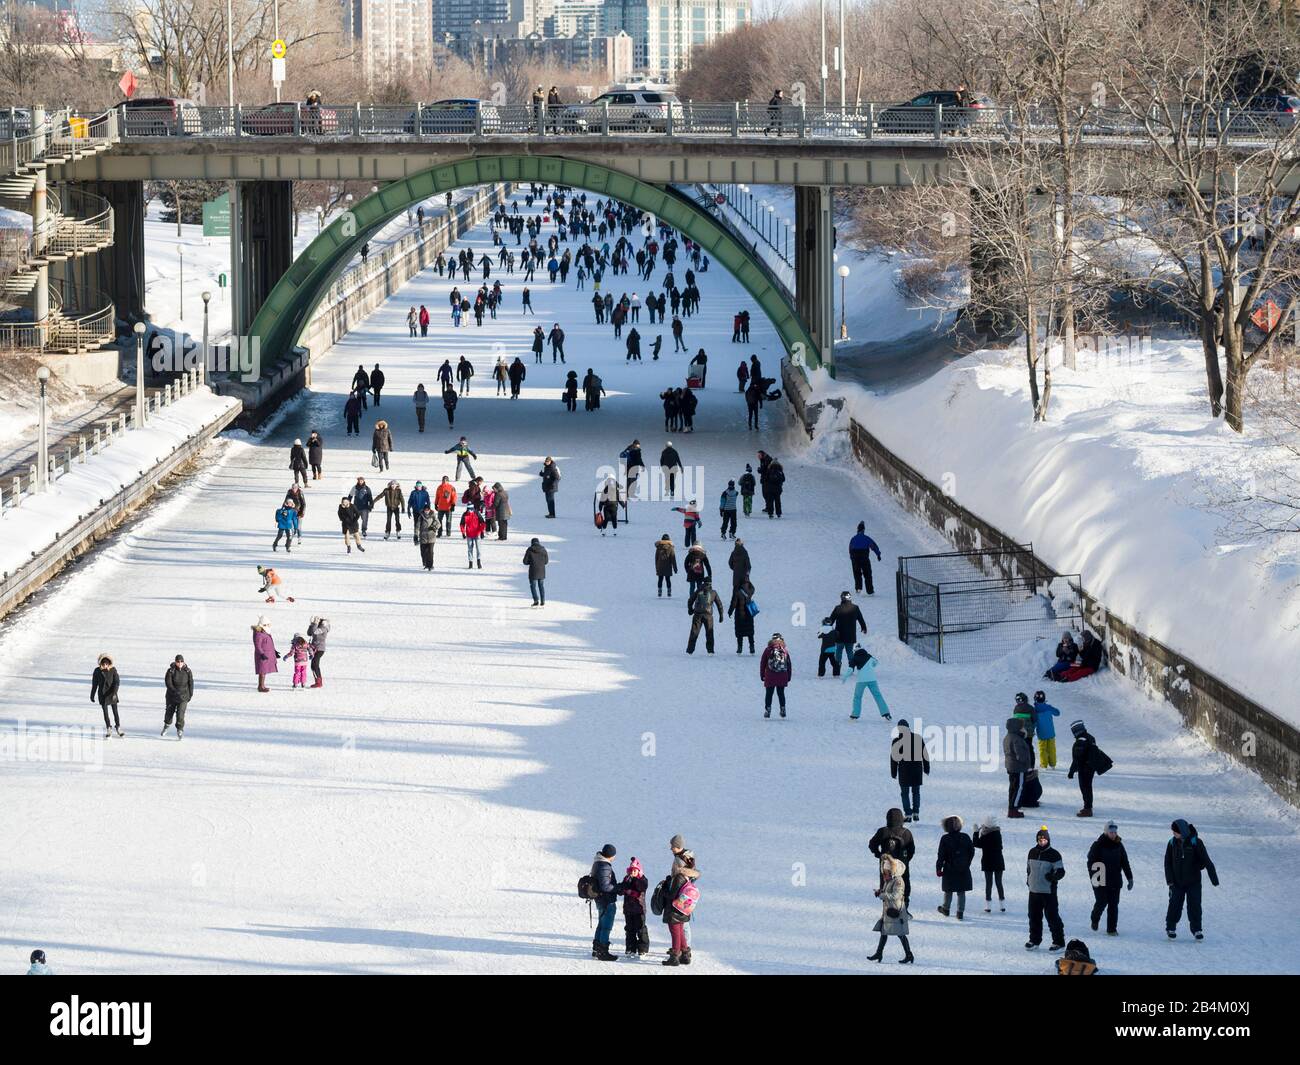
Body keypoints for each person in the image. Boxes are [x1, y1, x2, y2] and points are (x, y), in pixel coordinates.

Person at [1165, 819, 1219, 940]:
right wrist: (1170, 880)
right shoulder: (1172, 843)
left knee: (1194, 905)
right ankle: (1170, 927)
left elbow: (1206, 860)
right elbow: (1167, 863)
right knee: (1174, 904)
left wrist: (1214, 879)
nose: (1173, 833)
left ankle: (1197, 929)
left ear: (1182, 831)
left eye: (1175, 831)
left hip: (1193, 882)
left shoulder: (1196, 843)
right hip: (1176, 882)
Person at [1087, 820, 1133, 935]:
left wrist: (1130, 878)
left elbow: (1125, 862)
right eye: (1111, 832)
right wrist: (1094, 878)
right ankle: (1095, 918)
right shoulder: (1098, 845)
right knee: (1101, 902)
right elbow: (1091, 863)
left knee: (1113, 905)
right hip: (1100, 878)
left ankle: (1112, 929)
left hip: (1115, 880)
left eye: (1115, 832)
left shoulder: (1119, 845)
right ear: (1106, 832)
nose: (1113, 834)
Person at [1026, 826, 1067, 952]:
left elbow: (1061, 871)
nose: (1042, 842)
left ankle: (1059, 942)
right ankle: (1034, 940)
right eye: (1040, 840)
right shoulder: (1032, 852)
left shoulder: (1054, 854)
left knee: (1052, 917)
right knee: (1034, 917)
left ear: (1048, 840)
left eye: (1044, 840)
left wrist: (1052, 877)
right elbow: (1028, 869)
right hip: (1033, 891)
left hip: (1048, 892)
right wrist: (1029, 880)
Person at [867, 856, 913, 964]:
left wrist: (882, 895)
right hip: (889, 911)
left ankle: (909, 954)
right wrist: (880, 891)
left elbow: (896, 895)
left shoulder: (898, 881)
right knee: (884, 931)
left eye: (885, 873)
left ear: (892, 872)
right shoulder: (890, 880)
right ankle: (879, 953)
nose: (884, 876)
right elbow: (887, 892)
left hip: (896, 911)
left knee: (900, 934)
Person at [661, 841, 699, 967]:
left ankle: (675, 957)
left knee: (675, 931)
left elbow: (671, 895)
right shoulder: (687, 876)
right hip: (683, 909)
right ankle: (685, 954)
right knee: (681, 931)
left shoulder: (679, 877)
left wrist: (664, 889)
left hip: (675, 909)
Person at [868, 809, 916, 909]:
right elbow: (912, 849)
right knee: (904, 883)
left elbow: (872, 844)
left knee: (886, 883)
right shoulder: (907, 833)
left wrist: (878, 854)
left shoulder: (883, 831)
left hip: (886, 864)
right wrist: (906, 860)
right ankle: (904, 906)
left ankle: (887, 908)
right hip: (902, 863)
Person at [1066, 719, 1112, 817]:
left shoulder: (1080, 742)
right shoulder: (1090, 737)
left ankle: (1087, 809)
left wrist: (1071, 771)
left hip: (1084, 768)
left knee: (1085, 788)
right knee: (1088, 787)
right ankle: (1088, 807)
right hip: (1091, 767)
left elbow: (1077, 759)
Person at [936, 815, 975, 919]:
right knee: (961, 891)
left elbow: (941, 855)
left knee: (948, 890)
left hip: (949, 868)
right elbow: (971, 851)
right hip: (963, 868)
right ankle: (960, 912)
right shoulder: (965, 837)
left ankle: (946, 908)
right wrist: (967, 862)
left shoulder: (945, 838)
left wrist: (939, 868)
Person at [890, 719, 929, 822]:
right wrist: (926, 768)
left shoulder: (896, 741)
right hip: (917, 770)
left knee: (904, 793)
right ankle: (916, 813)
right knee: (916, 792)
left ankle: (908, 814)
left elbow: (894, 759)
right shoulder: (917, 738)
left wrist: (893, 772)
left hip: (904, 771)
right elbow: (925, 754)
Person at [589, 843, 622, 962]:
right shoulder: (604, 866)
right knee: (606, 926)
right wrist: (619, 888)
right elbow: (605, 886)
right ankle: (603, 951)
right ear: (610, 855)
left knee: (601, 924)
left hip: (600, 899)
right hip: (606, 900)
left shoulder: (597, 862)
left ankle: (596, 948)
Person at [972, 816, 1006, 912]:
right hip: (999, 861)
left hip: (988, 861)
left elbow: (976, 843)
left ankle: (988, 905)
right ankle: (1002, 905)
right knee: (999, 883)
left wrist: (975, 832)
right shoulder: (997, 834)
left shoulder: (986, 835)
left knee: (989, 883)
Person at [827, 590, 867, 671]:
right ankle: (851, 667)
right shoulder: (855, 608)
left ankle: (837, 666)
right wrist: (864, 627)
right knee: (850, 652)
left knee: (838, 651)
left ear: (841, 598)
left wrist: (827, 629)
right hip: (850, 635)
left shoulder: (838, 608)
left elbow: (831, 620)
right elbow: (860, 619)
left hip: (839, 635)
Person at [847, 648, 891, 720]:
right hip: (872, 679)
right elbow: (876, 662)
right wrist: (870, 665)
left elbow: (850, 669)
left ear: (855, 651)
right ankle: (886, 713)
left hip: (861, 680)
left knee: (857, 697)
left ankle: (855, 714)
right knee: (878, 695)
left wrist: (845, 677)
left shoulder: (854, 658)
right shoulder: (869, 656)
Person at [620, 857, 651, 958]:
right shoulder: (627, 878)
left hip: (639, 909)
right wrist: (624, 888)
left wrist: (635, 879)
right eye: (631, 870)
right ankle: (630, 948)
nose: (633, 872)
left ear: (639, 870)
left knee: (641, 929)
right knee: (629, 929)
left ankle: (643, 949)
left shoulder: (642, 879)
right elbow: (622, 888)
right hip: (628, 909)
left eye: (635, 870)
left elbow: (641, 888)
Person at [1004, 717, 1033, 818]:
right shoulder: (1017, 739)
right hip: (1019, 768)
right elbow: (1020, 755)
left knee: (1013, 787)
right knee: (1018, 788)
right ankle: (1013, 809)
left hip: (1011, 767)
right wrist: (1026, 763)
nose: (1023, 728)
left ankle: (1012, 806)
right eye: (1021, 726)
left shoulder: (1008, 736)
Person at [686, 579, 724, 655]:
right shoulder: (713, 592)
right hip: (708, 616)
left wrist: (690, 610)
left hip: (697, 615)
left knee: (694, 632)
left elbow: (690, 600)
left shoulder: (698, 591)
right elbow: (719, 604)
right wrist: (721, 615)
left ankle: (690, 651)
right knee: (709, 633)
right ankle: (710, 651)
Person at [759, 632, 792, 717]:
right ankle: (783, 708)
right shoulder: (784, 650)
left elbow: (763, 663)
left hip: (770, 675)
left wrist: (762, 675)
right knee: (781, 693)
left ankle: (767, 710)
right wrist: (788, 676)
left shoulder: (768, 650)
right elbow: (788, 664)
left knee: (769, 694)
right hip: (782, 675)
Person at [91, 653, 123, 738]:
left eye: (107, 663)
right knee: (105, 713)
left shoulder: (113, 670)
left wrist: (115, 693)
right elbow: (94, 684)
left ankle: (118, 727)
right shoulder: (97, 671)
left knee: (115, 712)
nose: (105, 665)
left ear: (109, 663)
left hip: (112, 693)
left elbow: (117, 682)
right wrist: (92, 694)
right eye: (103, 663)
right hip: (102, 695)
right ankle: (108, 728)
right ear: (100, 663)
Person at [161, 654, 192, 739]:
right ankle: (166, 725)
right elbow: (168, 683)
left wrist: (190, 695)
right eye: (178, 661)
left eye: (181, 661)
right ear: (175, 662)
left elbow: (191, 683)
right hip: (172, 696)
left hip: (183, 697)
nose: (180, 663)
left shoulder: (188, 671)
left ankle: (180, 730)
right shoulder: (171, 671)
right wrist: (174, 691)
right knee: (169, 713)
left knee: (180, 714)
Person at [849, 522, 883, 595]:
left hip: (855, 558)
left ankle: (858, 589)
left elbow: (850, 549)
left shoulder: (853, 539)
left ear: (857, 530)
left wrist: (852, 558)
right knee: (867, 574)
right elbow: (874, 546)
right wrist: (878, 554)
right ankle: (870, 591)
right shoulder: (867, 538)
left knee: (857, 573)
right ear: (863, 530)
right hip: (864, 558)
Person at [1031, 690, 1061, 768]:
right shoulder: (1048, 707)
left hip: (1041, 734)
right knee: (1052, 749)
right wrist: (1049, 707)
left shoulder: (1034, 710)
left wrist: (1032, 730)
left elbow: (1034, 722)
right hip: (1051, 733)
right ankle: (1053, 764)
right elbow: (1057, 713)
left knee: (1043, 749)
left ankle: (1044, 765)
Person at [728, 579, 757, 654]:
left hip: (740, 615)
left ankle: (739, 648)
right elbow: (753, 589)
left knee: (740, 632)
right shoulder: (750, 590)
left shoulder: (737, 592)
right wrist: (749, 582)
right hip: (749, 614)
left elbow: (733, 603)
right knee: (750, 632)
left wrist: (730, 612)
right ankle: (752, 647)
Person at [251, 617, 278, 693]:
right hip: (262, 655)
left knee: (264, 670)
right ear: (264, 625)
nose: (269, 626)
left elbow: (269, 643)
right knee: (262, 671)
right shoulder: (259, 634)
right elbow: (257, 645)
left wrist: (274, 652)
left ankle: (262, 685)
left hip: (267, 654)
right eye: (268, 625)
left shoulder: (265, 632)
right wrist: (261, 654)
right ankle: (260, 686)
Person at [523, 537, 548, 606]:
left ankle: (536, 600)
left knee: (533, 586)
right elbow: (546, 561)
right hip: (542, 571)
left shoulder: (530, 550)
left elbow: (525, 561)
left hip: (533, 571)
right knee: (541, 586)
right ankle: (542, 601)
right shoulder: (543, 550)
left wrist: (531, 562)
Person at [460, 504, 485, 569]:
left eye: (471, 509)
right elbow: (462, 524)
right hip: (469, 534)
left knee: (478, 549)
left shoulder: (477, 513)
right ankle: (470, 563)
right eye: (468, 509)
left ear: (473, 508)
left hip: (477, 533)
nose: (470, 511)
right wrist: (463, 533)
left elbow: (482, 522)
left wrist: (482, 532)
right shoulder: (465, 514)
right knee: (470, 549)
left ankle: (478, 562)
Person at [414, 504, 438, 570]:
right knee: (423, 552)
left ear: (429, 510)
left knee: (430, 552)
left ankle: (430, 565)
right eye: (425, 510)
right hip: (423, 537)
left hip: (431, 537)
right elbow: (417, 527)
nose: (426, 511)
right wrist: (416, 535)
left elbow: (438, 523)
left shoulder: (433, 515)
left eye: (428, 510)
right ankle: (426, 564)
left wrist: (434, 527)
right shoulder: (421, 517)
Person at [307, 616, 329, 687]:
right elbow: (309, 633)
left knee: (315, 665)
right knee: (313, 666)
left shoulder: (324, 628)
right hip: (314, 648)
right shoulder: (317, 627)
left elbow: (314, 632)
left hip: (320, 649)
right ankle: (318, 681)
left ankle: (319, 682)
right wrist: (312, 624)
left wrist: (315, 624)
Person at [655, 532, 678, 597]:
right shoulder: (671, 548)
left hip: (660, 566)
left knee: (660, 579)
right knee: (668, 579)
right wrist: (675, 568)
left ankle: (659, 592)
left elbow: (656, 558)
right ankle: (669, 592)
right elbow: (673, 559)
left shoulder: (659, 547)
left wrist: (656, 567)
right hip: (668, 567)